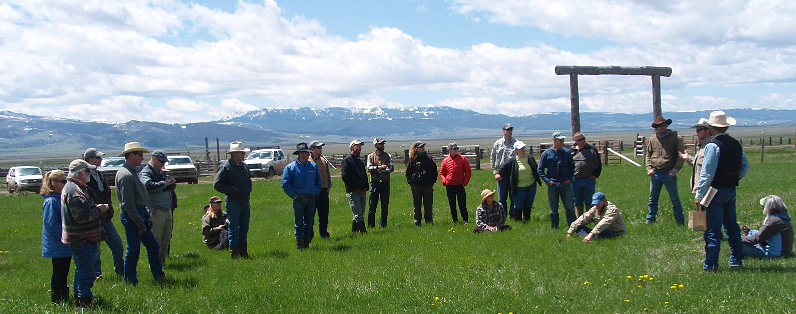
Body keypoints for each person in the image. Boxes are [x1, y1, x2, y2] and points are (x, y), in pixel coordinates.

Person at [695, 111, 750, 272]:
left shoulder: (713, 146)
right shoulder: (736, 144)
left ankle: (710, 265)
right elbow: (745, 167)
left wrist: (699, 194)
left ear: (711, 128)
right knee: (732, 227)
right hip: (731, 190)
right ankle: (736, 260)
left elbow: (707, 174)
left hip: (714, 191)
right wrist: (733, 178)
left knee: (713, 230)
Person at [116, 142, 165, 284]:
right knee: (133, 249)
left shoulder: (132, 172)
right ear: (132, 155)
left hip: (140, 213)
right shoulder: (125, 175)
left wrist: (145, 214)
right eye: (140, 155)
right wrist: (139, 221)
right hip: (132, 215)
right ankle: (130, 280)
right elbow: (128, 203)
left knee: (153, 246)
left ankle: (158, 275)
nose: (142, 158)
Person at [62, 159, 109, 307]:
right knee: (87, 272)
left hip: (80, 238)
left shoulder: (75, 188)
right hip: (82, 239)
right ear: (80, 173)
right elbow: (82, 217)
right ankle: (84, 302)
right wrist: (99, 210)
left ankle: (79, 297)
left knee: (82, 269)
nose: (90, 174)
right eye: (88, 171)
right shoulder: (74, 191)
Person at [82, 148, 124, 279]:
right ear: (90, 160)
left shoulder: (99, 174)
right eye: (98, 158)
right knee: (95, 250)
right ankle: (96, 275)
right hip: (93, 218)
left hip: (105, 217)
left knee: (117, 244)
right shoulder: (85, 177)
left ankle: (121, 271)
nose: (101, 160)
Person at [213, 141, 253, 259]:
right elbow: (217, 184)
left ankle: (243, 252)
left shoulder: (243, 166)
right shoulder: (226, 166)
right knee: (234, 228)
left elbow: (248, 179)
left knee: (244, 227)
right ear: (235, 154)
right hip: (233, 202)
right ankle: (234, 253)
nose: (243, 155)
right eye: (241, 153)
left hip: (245, 200)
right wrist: (233, 190)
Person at [645, 115, 686, 225]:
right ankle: (650, 220)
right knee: (652, 199)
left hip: (669, 172)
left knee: (675, 200)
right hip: (656, 172)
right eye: (659, 125)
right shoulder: (653, 139)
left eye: (663, 125)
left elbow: (681, 155)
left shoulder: (676, 138)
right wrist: (649, 168)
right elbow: (648, 154)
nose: (661, 127)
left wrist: (675, 169)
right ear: (656, 127)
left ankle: (680, 221)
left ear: (667, 125)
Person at [282, 143, 322, 249]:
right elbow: (286, 184)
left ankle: (307, 243)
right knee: (299, 223)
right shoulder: (290, 168)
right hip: (298, 199)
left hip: (311, 199)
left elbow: (319, 181)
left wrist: (316, 191)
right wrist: (294, 196)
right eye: (306, 152)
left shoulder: (313, 166)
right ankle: (300, 244)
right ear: (300, 154)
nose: (308, 154)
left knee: (309, 222)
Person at [140, 150, 177, 265]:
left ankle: (162, 262)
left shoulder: (159, 171)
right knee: (156, 239)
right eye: (161, 162)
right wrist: (165, 183)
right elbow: (148, 185)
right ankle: (155, 264)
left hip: (166, 209)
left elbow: (165, 186)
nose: (163, 165)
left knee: (165, 240)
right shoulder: (146, 172)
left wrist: (171, 183)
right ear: (154, 158)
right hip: (156, 210)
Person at [41, 169, 72, 303]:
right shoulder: (51, 202)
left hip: (63, 243)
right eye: (63, 181)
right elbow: (51, 225)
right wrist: (66, 236)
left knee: (64, 272)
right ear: (53, 183)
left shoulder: (58, 198)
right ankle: (58, 300)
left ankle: (63, 297)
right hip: (58, 244)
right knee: (59, 272)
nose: (65, 183)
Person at [538, 132, 576, 229]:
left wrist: (570, 179)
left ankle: (573, 227)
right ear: (554, 140)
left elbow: (572, 167)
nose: (562, 141)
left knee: (570, 208)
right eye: (560, 140)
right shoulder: (547, 153)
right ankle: (555, 228)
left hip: (565, 184)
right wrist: (548, 181)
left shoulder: (566, 152)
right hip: (553, 185)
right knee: (554, 209)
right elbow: (540, 169)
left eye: (563, 140)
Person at [499, 141, 542, 221]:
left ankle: (527, 219)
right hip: (519, 186)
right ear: (516, 151)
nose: (522, 150)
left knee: (528, 203)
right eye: (520, 148)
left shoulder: (530, 158)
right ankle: (518, 220)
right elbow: (502, 169)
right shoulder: (512, 161)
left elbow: (536, 169)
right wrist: (510, 179)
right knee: (518, 204)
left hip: (531, 185)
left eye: (523, 148)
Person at [406, 141, 438, 226]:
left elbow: (434, 172)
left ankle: (429, 222)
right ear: (416, 149)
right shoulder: (412, 159)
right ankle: (417, 222)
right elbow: (408, 173)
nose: (423, 148)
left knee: (428, 205)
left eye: (423, 146)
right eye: (420, 147)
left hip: (427, 185)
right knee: (417, 206)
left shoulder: (429, 158)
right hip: (416, 186)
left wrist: (431, 182)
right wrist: (411, 183)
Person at [570, 132, 602, 218]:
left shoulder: (592, 149)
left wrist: (595, 175)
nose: (583, 141)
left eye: (583, 138)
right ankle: (579, 219)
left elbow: (598, 163)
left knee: (589, 200)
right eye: (580, 139)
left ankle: (589, 218)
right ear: (576, 141)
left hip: (588, 179)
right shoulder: (572, 151)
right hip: (575, 179)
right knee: (577, 201)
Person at [440, 142, 472, 223]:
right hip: (450, 185)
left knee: (462, 204)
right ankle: (455, 221)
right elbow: (442, 173)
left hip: (459, 185)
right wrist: (444, 181)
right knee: (452, 204)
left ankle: (465, 220)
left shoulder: (463, 159)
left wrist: (464, 183)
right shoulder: (445, 160)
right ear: (449, 150)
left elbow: (468, 172)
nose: (456, 150)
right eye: (454, 149)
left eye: (457, 148)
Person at [341, 139, 369, 233]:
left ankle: (354, 232)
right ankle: (363, 232)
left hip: (362, 190)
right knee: (358, 213)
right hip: (353, 191)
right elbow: (345, 176)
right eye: (358, 146)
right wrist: (352, 188)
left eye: (360, 146)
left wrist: (366, 186)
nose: (360, 148)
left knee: (359, 213)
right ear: (352, 147)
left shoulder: (359, 161)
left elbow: (364, 174)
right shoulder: (347, 161)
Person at [367, 137, 394, 228]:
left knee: (385, 206)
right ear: (376, 145)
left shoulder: (388, 156)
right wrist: (381, 167)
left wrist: (377, 169)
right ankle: (371, 225)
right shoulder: (370, 156)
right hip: (375, 183)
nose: (382, 145)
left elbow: (391, 168)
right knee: (372, 206)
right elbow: (369, 169)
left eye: (383, 144)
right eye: (380, 144)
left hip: (385, 183)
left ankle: (383, 225)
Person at [679, 118, 712, 194]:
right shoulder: (701, 146)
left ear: (707, 130)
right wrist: (687, 158)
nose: (697, 132)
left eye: (699, 130)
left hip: (707, 189)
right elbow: (698, 164)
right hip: (701, 189)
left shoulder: (710, 147)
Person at [491, 123, 517, 214]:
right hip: (501, 174)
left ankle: (513, 216)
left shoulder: (516, 143)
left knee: (513, 196)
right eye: (508, 129)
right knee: (502, 198)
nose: (509, 131)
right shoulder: (497, 144)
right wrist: (495, 172)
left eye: (511, 129)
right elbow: (492, 158)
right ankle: (503, 215)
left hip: (513, 173)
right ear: (503, 131)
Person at [309, 140, 333, 238]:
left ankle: (324, 233)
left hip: (324, 191)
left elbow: (328, 175)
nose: (320, 149)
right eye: (318, 148)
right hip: (314, 193)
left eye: (321, 147)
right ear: (312, 149)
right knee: (311, 215)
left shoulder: (323, 160)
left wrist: (328, 187)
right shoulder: (309, 161)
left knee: (324, 215)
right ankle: (309, 235)